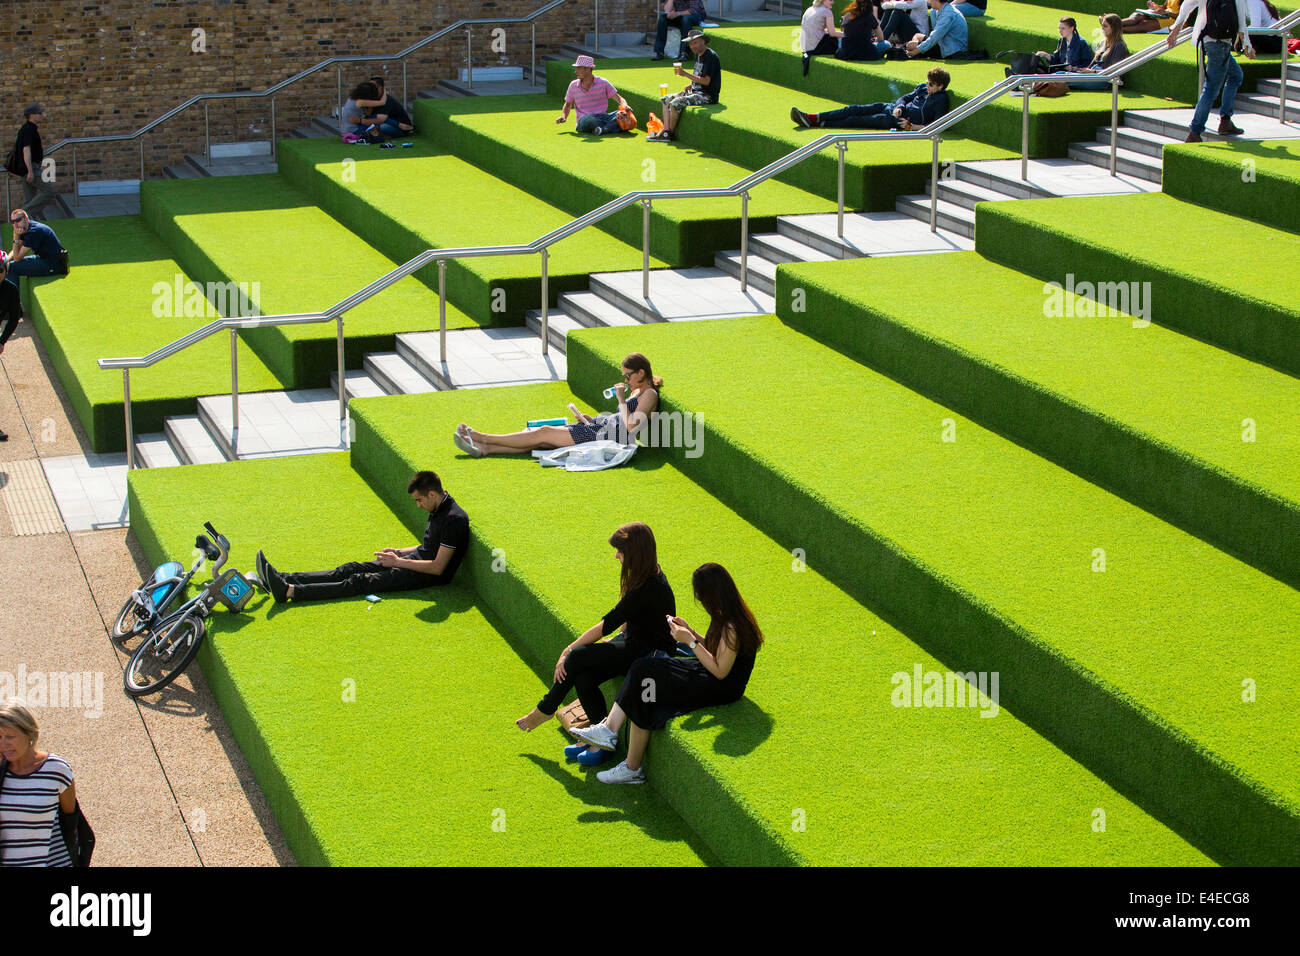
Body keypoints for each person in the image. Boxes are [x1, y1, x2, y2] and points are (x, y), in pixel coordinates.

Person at [569, 563, 762, 785]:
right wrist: (691, 632)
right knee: (643, 670)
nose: (700, 601)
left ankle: (626, 759)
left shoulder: (732, 626)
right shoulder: (725, 614)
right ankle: (611, 735)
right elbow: (715, 648)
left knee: (646, 683)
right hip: (706, 672)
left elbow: (720, 671)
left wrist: (689, 641)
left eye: (701, 597)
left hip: (721, 687)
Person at [515, 522, 677, 768]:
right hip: (635, 642)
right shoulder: (646, 574)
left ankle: (547, 708)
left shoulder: (647, 587)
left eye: (620, 552)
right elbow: (629, 618)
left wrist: (567, 649)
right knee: (584, 677)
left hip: (649, 654)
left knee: (578, 656)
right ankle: (600, 740)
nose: (616, 555)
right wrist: (621, 635)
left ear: (634, 553)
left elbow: (606, 624)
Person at [256, 471, 468, 604]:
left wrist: (398, 562)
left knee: (358, 581)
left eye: (419, 500)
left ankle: (290, 592)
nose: (418, 505)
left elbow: (438, 567)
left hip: (426, 575)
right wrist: (398, 551)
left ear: (432, 494)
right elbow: (428, 545)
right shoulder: (437, 507)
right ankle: (284, 577)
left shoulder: (454, 519)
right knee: (348, 569)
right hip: (412, 561)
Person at [455, 353, 661, 455]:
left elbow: (632, 426)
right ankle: (486, 449)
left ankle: (481, 436)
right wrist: (593, 419)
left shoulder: (649, 394)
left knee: (543, 432)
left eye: (628, 375)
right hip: (600, 428)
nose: (625, 380)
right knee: (541, 442)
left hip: (606, 437)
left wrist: (621, 399)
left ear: (641, 372)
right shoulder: (637, 389)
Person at [0, 701, 77, 866]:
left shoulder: (57, 770)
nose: (3, 745)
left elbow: (69, 819)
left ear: (29, 733)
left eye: (10, 737)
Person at [1168, 0, 1254, 142]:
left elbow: (1186, 6)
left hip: (1207, 39)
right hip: (1221, 44)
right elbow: (1241, 21)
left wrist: (1175, 32)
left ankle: (1225, 120)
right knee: (1211, 89)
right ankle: (1195, 131)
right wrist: (1247, 46)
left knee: (1236, 75)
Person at [791, 67, 951, 129]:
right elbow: (905, 97)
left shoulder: (940, 100)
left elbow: (936, 126)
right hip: (891, 109)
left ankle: (817, 124)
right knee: (852, 109)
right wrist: (899, 106)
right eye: (927, 82)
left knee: (854, 120)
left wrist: (912, 126)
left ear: (940, 86)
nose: (927, 85)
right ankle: (812, 117)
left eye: (931, 84)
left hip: (896, 122)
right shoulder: (923, 88)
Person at [648, 30, 721, 143]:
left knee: (675, 103)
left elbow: (706, 82)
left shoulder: (710, 57)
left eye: (695, 43)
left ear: (703, 41)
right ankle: (666, 131)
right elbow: (699, 76)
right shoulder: (698, 55)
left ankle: (669, 134)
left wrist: (685, 74)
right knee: (665, 99)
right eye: (691, 44)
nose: (693, 46)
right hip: (696, 91)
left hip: (707, 95)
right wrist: (691, 85)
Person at [556, 55, 631, 136]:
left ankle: (604, 130)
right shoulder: (573, 85)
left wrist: (625, 107)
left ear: (587, 69)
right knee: (590, 118)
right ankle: (612, 127)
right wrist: (564, 116)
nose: (575, 71)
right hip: (584, 120)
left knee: (628, 112)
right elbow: (567, 104)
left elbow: (619, 99)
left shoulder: (603, 83)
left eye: (578, 68)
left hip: (603, 117)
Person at [7, 106, 56, 219]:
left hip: (27, 167)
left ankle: (23, 224)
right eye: (40, 113)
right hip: (30, 167)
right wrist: (30, 171)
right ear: (32, 115)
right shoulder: (29, 129)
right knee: (49, 191)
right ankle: (23, 214)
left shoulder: (28, 128)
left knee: (29, 198)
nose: (42, 116)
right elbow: (26, 150)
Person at [5, 209, 63, 290]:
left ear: (26, 218)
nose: (15, 225)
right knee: (7, 264)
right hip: (43, 258)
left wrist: (15, 236)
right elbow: (16, 251)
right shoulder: (26, 227)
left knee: (11, 267)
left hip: (53, 264)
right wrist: (5, 260)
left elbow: (17, 258)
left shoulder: (34, 231)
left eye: (18, 220)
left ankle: (13, 301)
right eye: (12, 222)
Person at [1073, 14, 1131, 89]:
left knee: (1064, 80)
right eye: (1102, 25)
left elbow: (1114, 72)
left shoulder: (1119, 46)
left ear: (1114, 28)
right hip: (1093, 75)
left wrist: (1093, 72)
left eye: (1105, 26)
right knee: (1061, 74)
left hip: (1104, 80)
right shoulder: (1103, 43)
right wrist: (1081, 70)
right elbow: (1091, 65)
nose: (1102, 28)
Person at [802, 0, 844, 74]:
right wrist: (848, 34)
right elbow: (832, 33)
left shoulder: (809, 9)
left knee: (836, 37)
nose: (833, 2)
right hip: (817, 47)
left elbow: (817, 29)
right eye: (830, 0)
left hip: (806, 47)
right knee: (842, 39)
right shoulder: (827, 12)